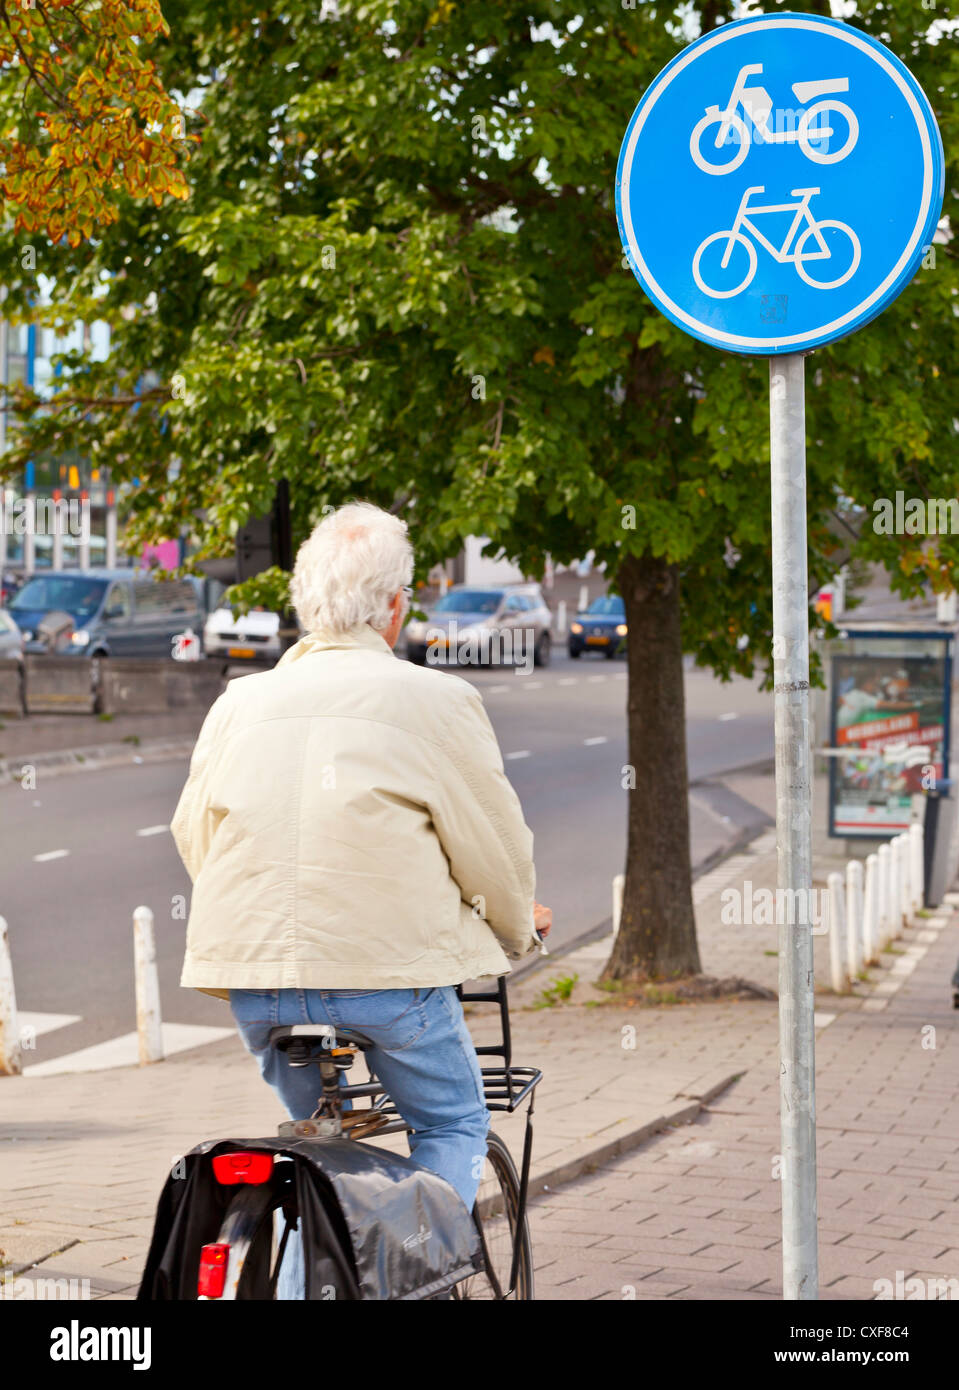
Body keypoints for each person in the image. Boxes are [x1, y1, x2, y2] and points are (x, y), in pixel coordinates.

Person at [170, 502, 551, 1226]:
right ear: (395, 606)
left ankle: (309, 1257)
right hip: (386, 978)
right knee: (448, 1124)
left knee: (316, 1146)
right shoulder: (435, 698)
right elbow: (492, 850)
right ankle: (408, 1260)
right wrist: (513, 928)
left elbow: (195, 835)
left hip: (260, 984)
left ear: (305, 602)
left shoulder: (238, 702)